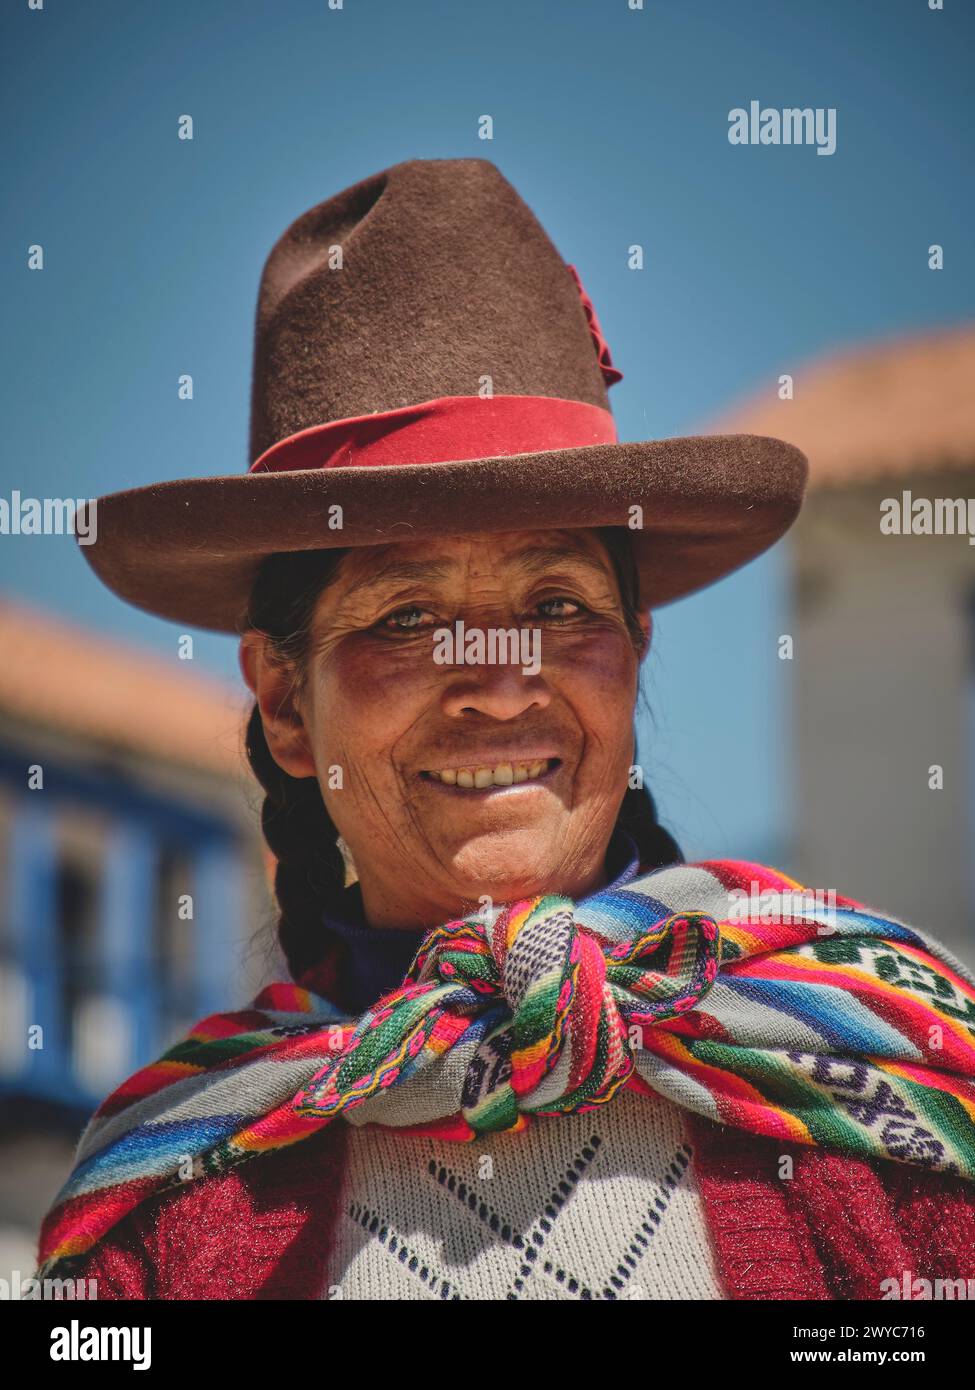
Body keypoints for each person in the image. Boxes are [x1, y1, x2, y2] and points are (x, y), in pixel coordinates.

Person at [35, 158, 975, 1301]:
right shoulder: (171, 1210)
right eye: (410, 616)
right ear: (285, 702)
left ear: (632, 649)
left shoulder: (882, 1085)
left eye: (556, 606)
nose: (496, 683)